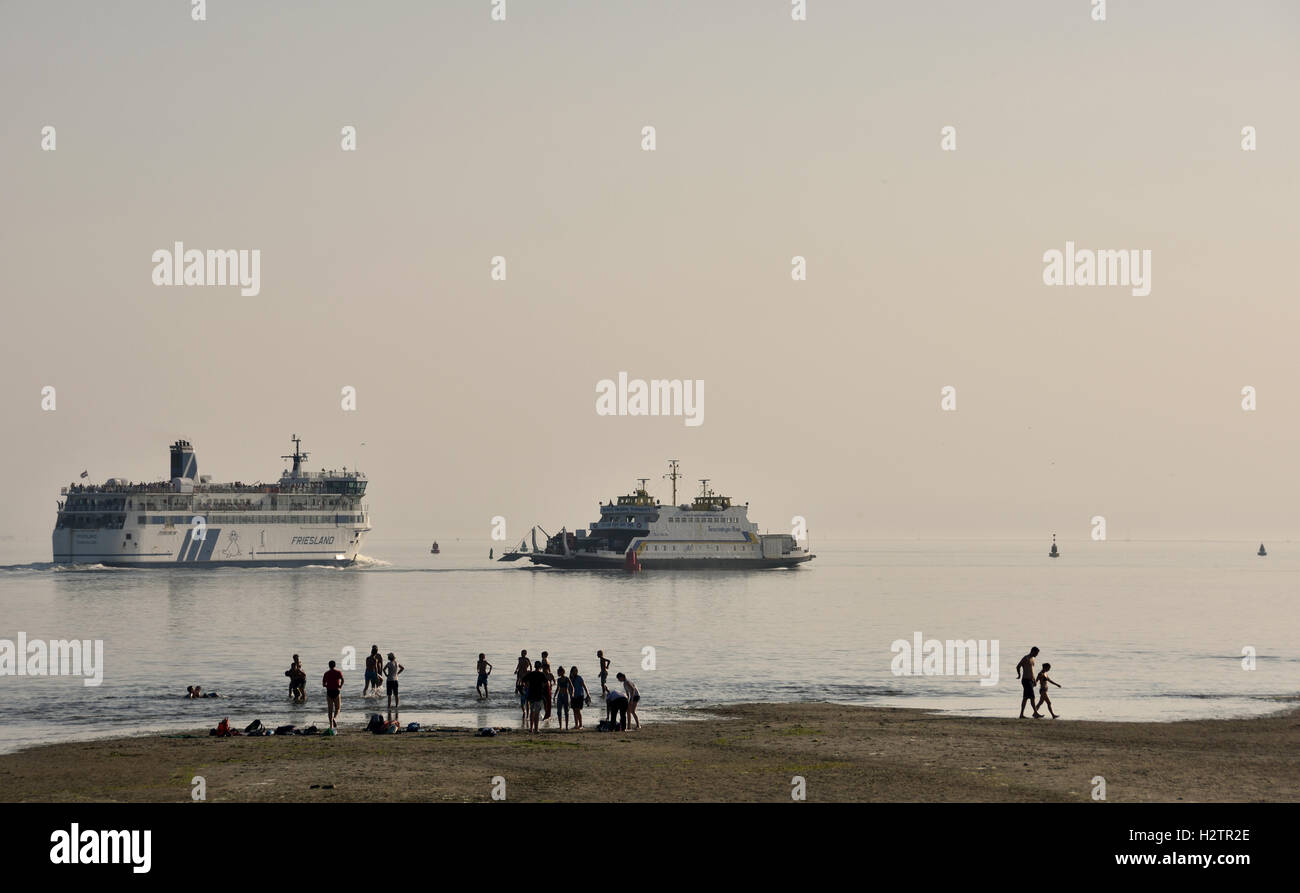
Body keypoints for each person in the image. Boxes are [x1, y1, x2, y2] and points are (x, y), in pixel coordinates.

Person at [1015, 647, 1042, 718]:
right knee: (1032, 697)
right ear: (1032, 651)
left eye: (1037, 653)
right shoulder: (1026, 658)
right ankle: (1035, 713)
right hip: (1026, 680)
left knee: (1026, 698)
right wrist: (1019, 675)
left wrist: (1034, 680)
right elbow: (1018, 666)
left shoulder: (1033, 659)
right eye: (1036, 653)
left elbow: (1031, 670)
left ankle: (1021, 714)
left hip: (1031, 681)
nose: (1037, 654)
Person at [524, 661, 548, 733]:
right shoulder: (541, 674)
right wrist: (542, 687)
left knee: (532, 712)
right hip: (538, 695)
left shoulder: (531, 674)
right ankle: (536, 729)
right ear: (540, 667)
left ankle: (531, 728)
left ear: (534, 666)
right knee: (537, 712)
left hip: (531, 694)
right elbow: (546, 682)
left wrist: (527, 685)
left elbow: (523, 680)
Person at [322, 660, 344, 729]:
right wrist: (340, 686)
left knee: (330, 709)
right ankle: (334, 718)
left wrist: (327, 686)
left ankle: (331, 725)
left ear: (329, 665)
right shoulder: (338, 672)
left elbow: (323, 684)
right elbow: (342, 680)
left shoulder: (326, 673)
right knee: (338, 708)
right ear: (335, 665)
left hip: (329, 692)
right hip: (336, 691)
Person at [553, 666, 573, 731]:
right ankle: (560, 726)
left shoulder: (567, 678)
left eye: (558, 672)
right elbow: (557, 688)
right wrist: (554, 696)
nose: (558, 673)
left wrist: (572, 694)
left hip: (566, 696)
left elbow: (572, 687)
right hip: (559, 696)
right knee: (559, 711)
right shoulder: (558, 680)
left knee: (566, 711)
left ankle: (566, 726)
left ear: (562, 672)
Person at [541, 651, 555, 720]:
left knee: (545, 700)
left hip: (545, 681)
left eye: (542, 655)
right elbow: (548, 669)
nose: (541, 656)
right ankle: (547, 714)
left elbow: (544, 668)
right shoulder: (548, 660)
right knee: (547, 700)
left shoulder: (544, 660)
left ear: (544, 655)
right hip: (548, 679)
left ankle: (547, 714)